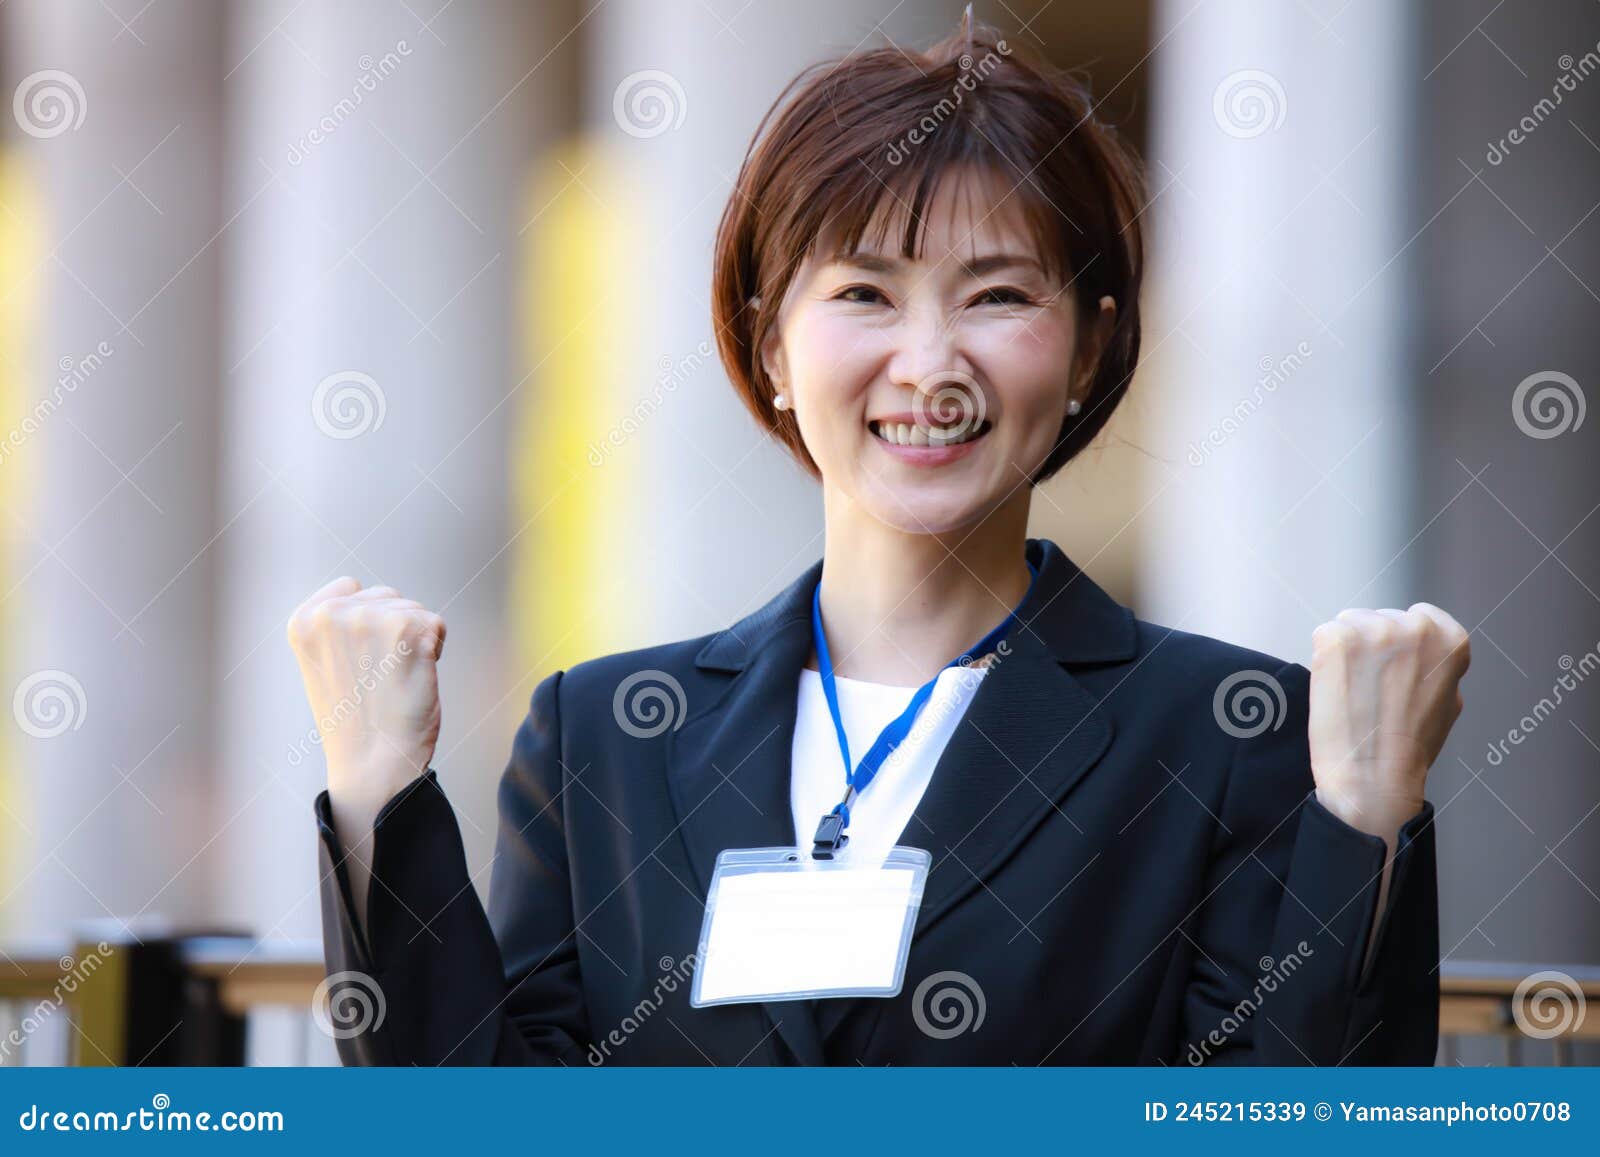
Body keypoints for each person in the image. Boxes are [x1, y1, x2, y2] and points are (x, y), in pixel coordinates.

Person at [286, 13, 1469, 1066]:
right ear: (769, 348)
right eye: (861, 294)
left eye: (998, 295)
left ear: (1093, 349)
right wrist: (375, 789)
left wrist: (1363, 813)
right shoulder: (599, 735)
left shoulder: (1224, 732)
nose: (928, 363)